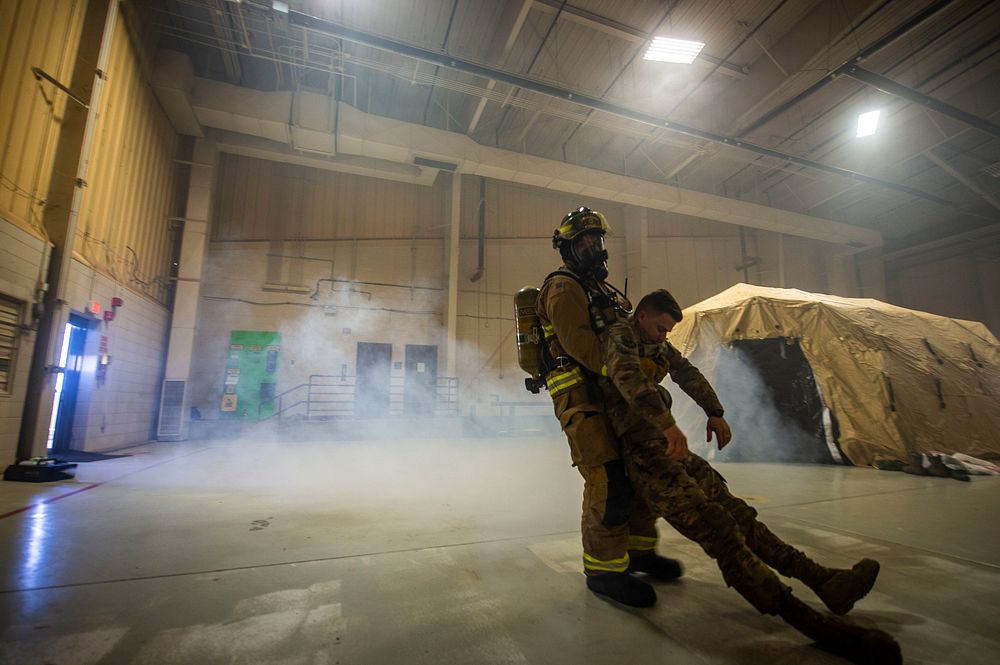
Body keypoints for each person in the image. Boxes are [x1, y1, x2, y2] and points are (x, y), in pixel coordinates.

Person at [596, 288, 900, 665]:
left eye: (667, 332)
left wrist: (714, 410)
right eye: (659, 328)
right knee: (719, 530)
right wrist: (666, 423)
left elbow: (685, 371)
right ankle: (811, 623)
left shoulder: (654, 343)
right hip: (642, 454)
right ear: (641, 315)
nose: (663, 337)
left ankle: (823, 580)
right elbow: (629, 381)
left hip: (665, 446)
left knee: (739, 514)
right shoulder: (620, 337)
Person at [536, 207, 682, 608]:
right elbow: (582, 346)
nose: (593, 248)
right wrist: (631, 371)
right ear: (567, 248)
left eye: (597, 240)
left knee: (639, 473)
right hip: (580, 398)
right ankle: (604, 571)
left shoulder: (601, 290)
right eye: (583, 242)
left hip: (609, 394)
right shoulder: (564, 288)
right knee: (608, 479)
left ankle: (640, 552)